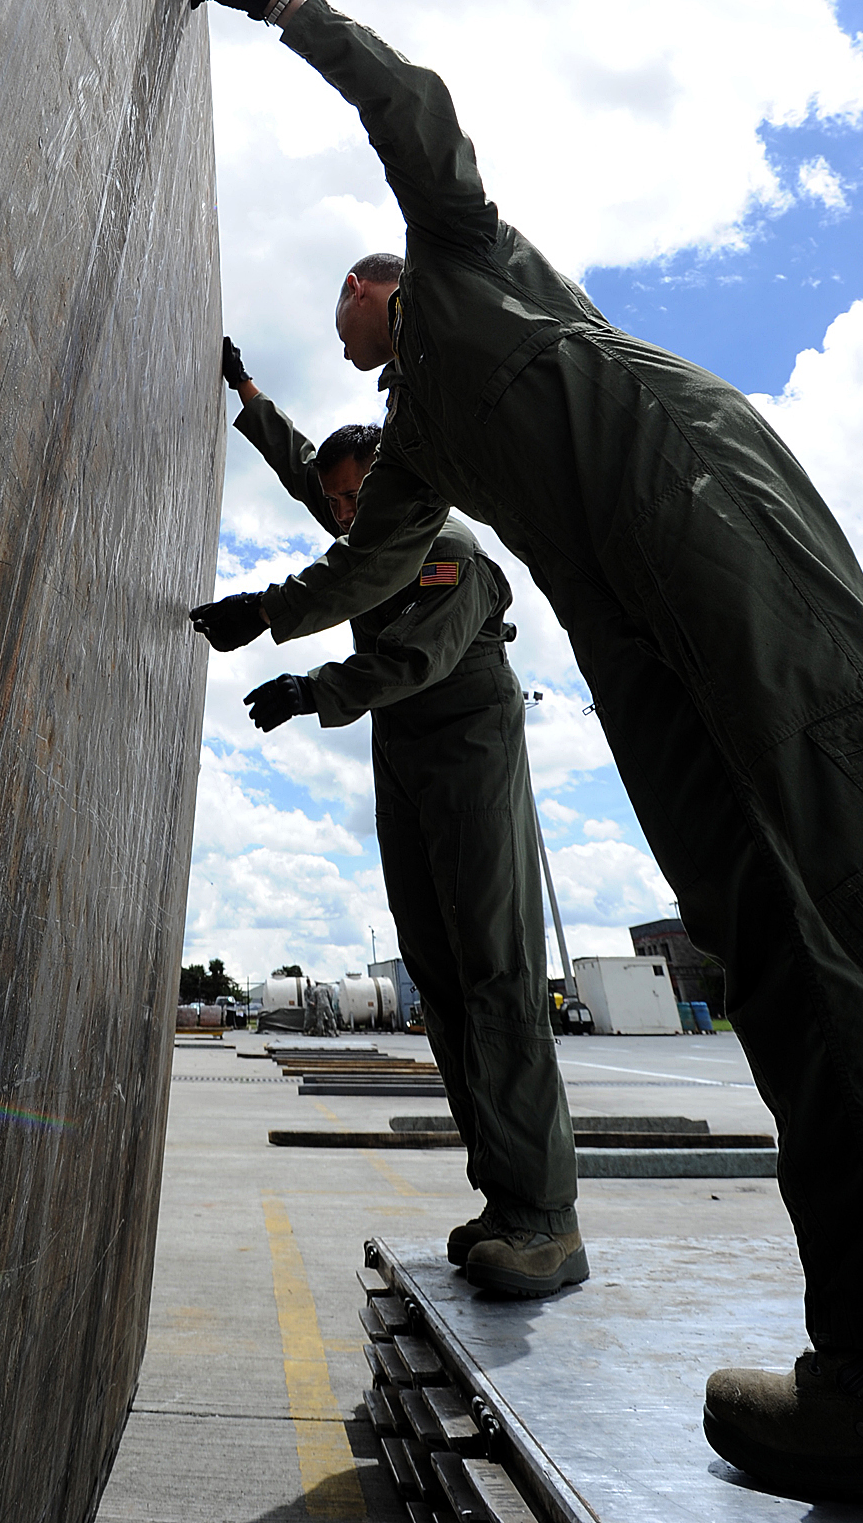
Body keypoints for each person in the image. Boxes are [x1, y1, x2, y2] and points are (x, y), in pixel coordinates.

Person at [187, 0, 863, 1507]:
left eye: (352, 298)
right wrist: (254, 615)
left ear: (392, 272)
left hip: (684, 487)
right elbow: (354, 569)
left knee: (859, 831)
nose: (349, 318)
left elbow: (415, 113)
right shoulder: (422, 445)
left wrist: (284, 6)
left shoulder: (464, 253)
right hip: (621, 608)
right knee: (765, 934)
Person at [223, 332, 583, 1293]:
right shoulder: (366, 531)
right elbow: (309, 469)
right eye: (338, 504)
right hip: (407, 756)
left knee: (497, 973)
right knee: (439, 977)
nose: (342, 514)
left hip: (466, 743)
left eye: (355, 499)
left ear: (393, 484)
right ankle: (505, 1198)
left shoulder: (444, 550)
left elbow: (408, 662)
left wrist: (309, 688)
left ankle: (548, 1219)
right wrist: (249, 388)